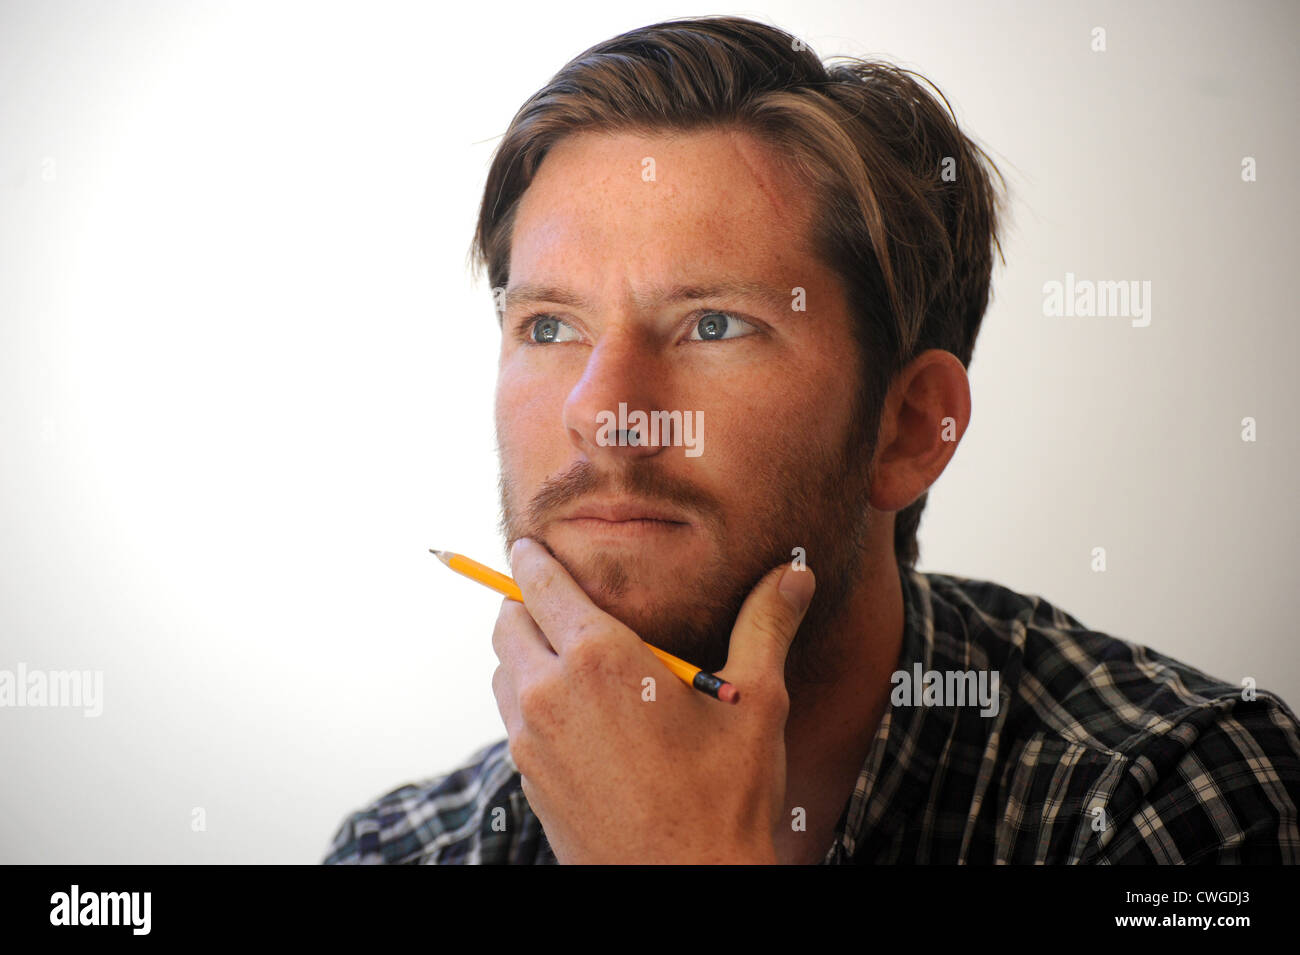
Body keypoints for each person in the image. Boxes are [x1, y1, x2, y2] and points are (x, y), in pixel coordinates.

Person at [324, 15, 1300, 864]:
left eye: (713, 324)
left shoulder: (1169, 801)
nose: (601, 409)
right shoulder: (399, 850)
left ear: (908, 428)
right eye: (548, 326)